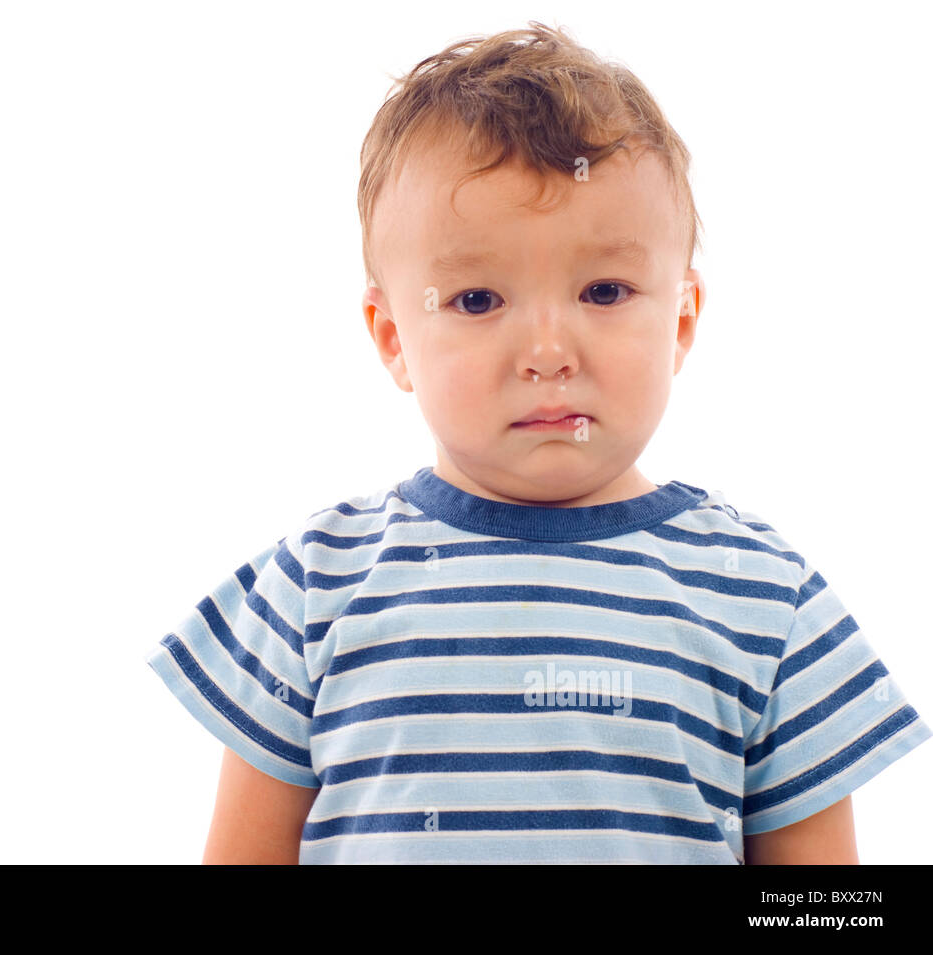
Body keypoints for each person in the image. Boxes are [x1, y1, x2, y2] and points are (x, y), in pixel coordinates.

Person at [144, 21, 930, 863]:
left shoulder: (768, 602)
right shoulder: (311, 588)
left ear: (683, 319)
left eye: (604, 289)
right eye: (478, 299)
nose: (550, 352)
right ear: (393, 337)